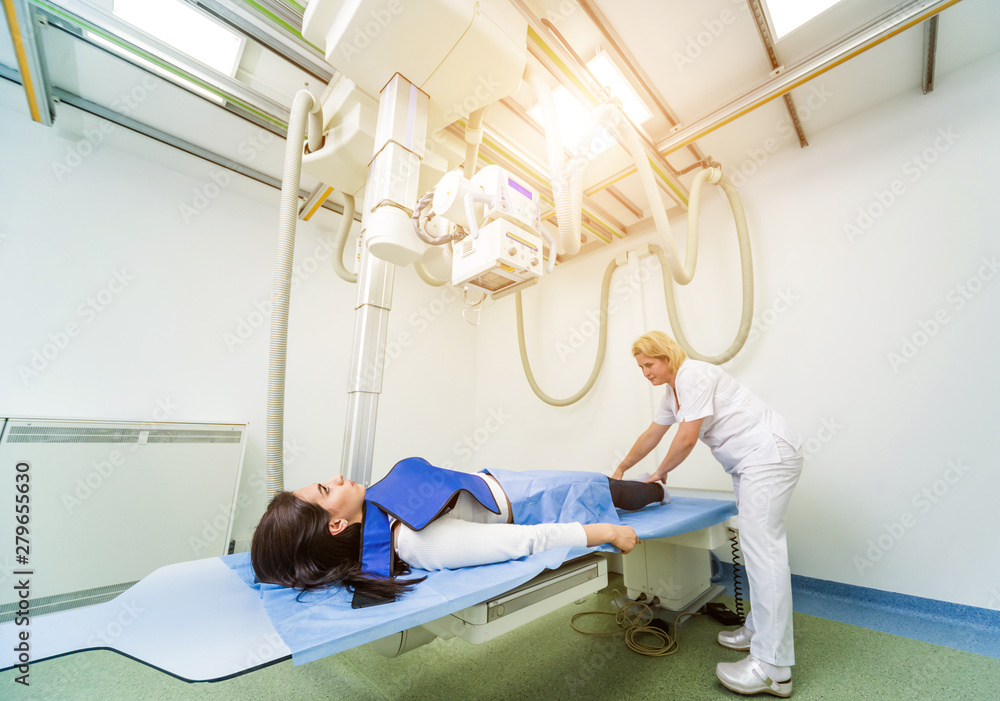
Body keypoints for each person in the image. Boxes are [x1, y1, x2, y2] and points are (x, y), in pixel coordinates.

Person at [612, 331, 803, 698]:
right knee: (758, 549)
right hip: (751, 463)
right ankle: (758, 632)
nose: (645, 372)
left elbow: (685, 439)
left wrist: (657, 474)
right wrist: (621, 468)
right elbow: (654, 434)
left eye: (648, 364)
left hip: (767, 455)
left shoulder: (692, 375)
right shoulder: (673, 392)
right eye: (640, 367)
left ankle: (773, 668)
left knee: (765, 554)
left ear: (666, 357)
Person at [251, 457, 663, 607]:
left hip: (507, 480)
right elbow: (525, 541)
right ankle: (657, 489)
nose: (337, 477)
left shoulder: (381, 508)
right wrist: (609, 531)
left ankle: (650, 486)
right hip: (538, 501)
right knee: (610, 489)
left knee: (605, 483)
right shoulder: (416, 541)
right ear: (336, 525)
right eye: (327, 488)